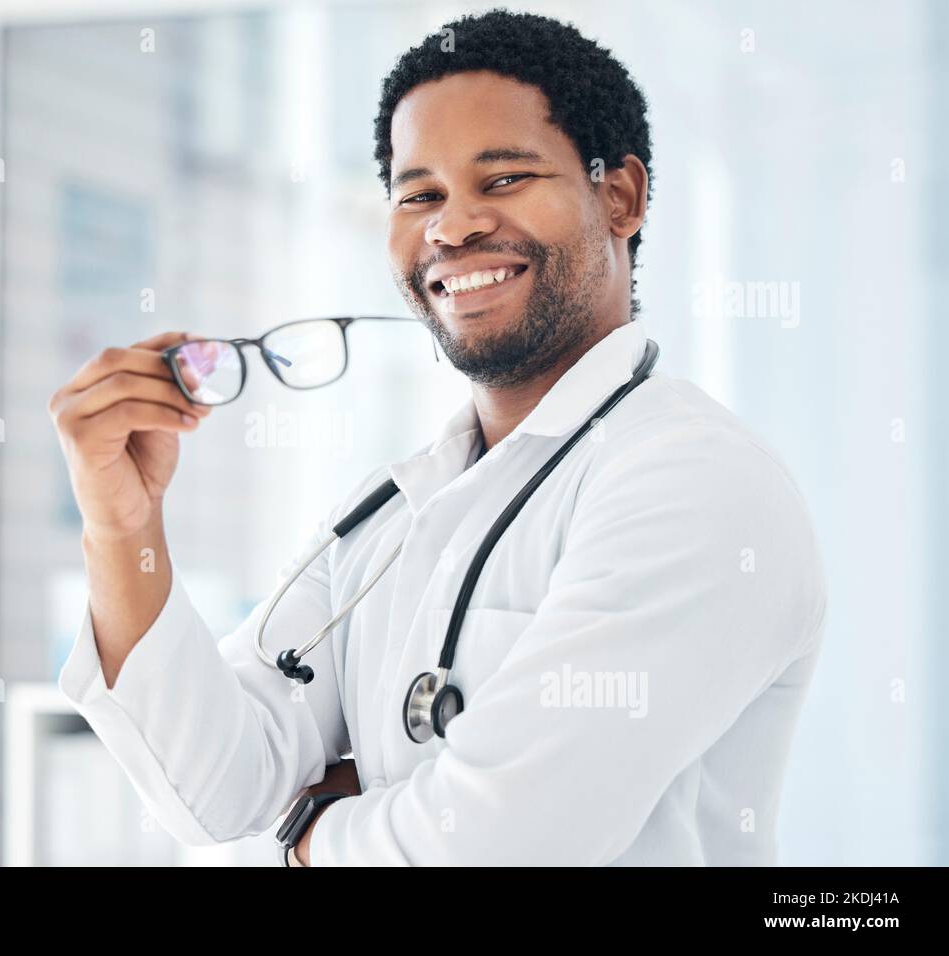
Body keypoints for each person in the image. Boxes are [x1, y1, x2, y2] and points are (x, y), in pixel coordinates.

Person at [47, 10, 826, 866]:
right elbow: (217, 784)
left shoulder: (691, 484)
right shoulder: (387, 516)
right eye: (419, 194)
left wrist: (308, 839)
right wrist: (123, 529)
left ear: (621, 196)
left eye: (502, 179)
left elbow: (500, 841)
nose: (451, 229)